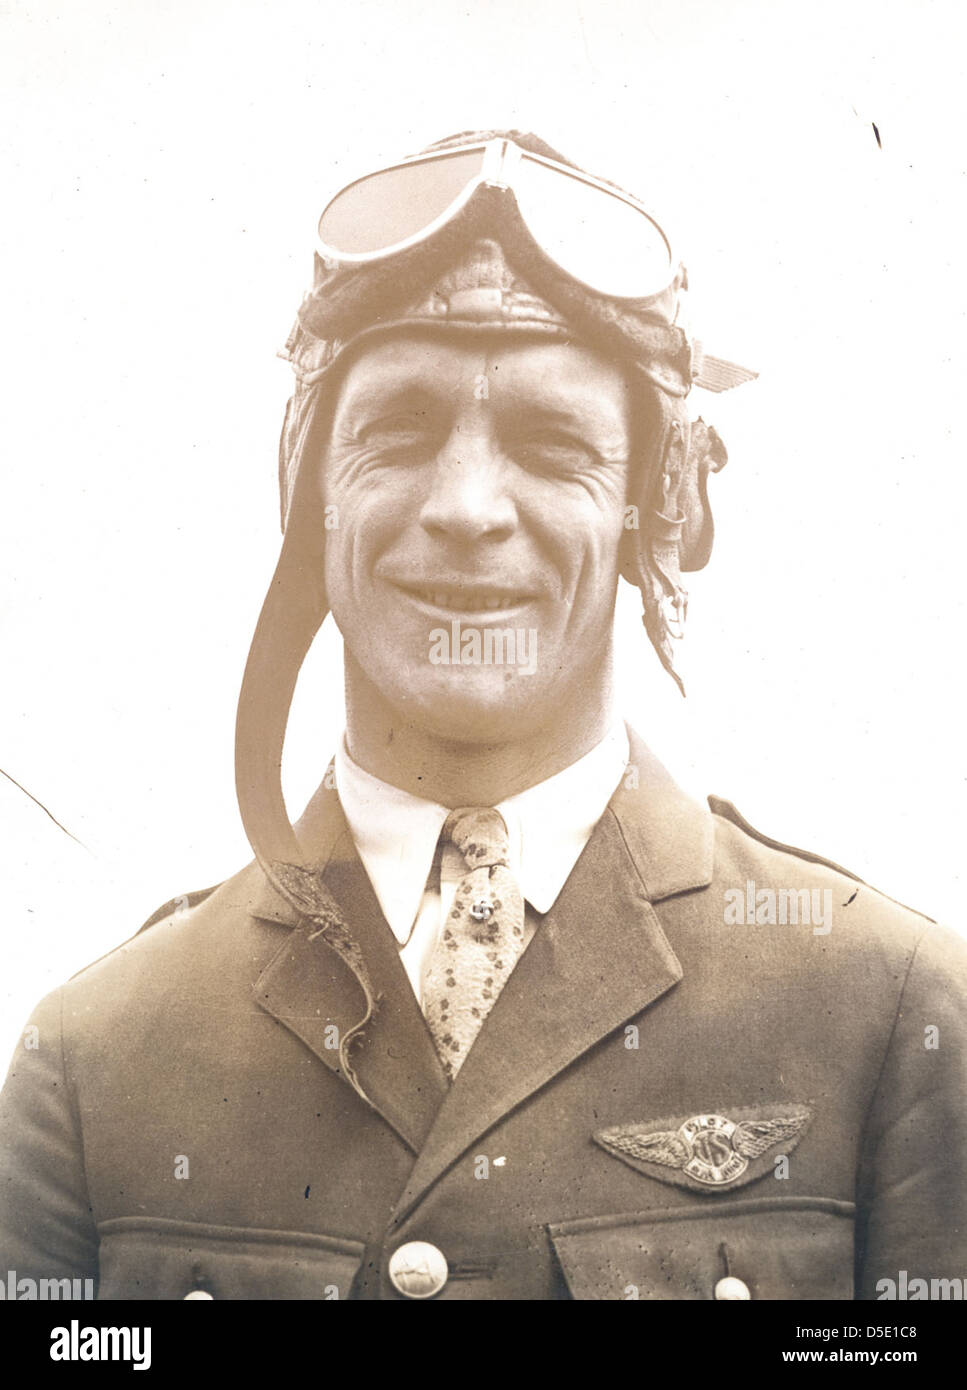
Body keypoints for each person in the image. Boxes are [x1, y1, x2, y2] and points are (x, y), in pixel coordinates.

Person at [1, 130, 964, 1301]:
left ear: (647, 509)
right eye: (397, 435)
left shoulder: (888, 1013)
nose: (464, 506)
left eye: (551, 446)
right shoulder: (95, 1061)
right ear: (313, 499)